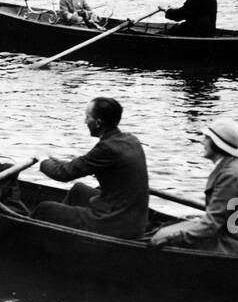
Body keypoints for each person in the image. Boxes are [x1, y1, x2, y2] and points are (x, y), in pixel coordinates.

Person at [31, 97, 149, 239]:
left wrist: (42, 159)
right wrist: (57, 161)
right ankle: (63, 236)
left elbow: (62, 174)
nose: (85, 121)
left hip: (116, 223)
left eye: (87, 117)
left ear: (98, 122)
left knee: (45, 209)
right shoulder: (130, 140)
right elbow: (85, 164)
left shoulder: (107, 148)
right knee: (78, 190)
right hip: (134, 218)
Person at [149, 118, 238, 255]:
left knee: (159, 237)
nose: (202, 142)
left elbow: (211, 225)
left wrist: (173, 238)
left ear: (216, 143)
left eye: (206, 138)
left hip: (236, 246)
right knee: (166, 231)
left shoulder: (230, 175)